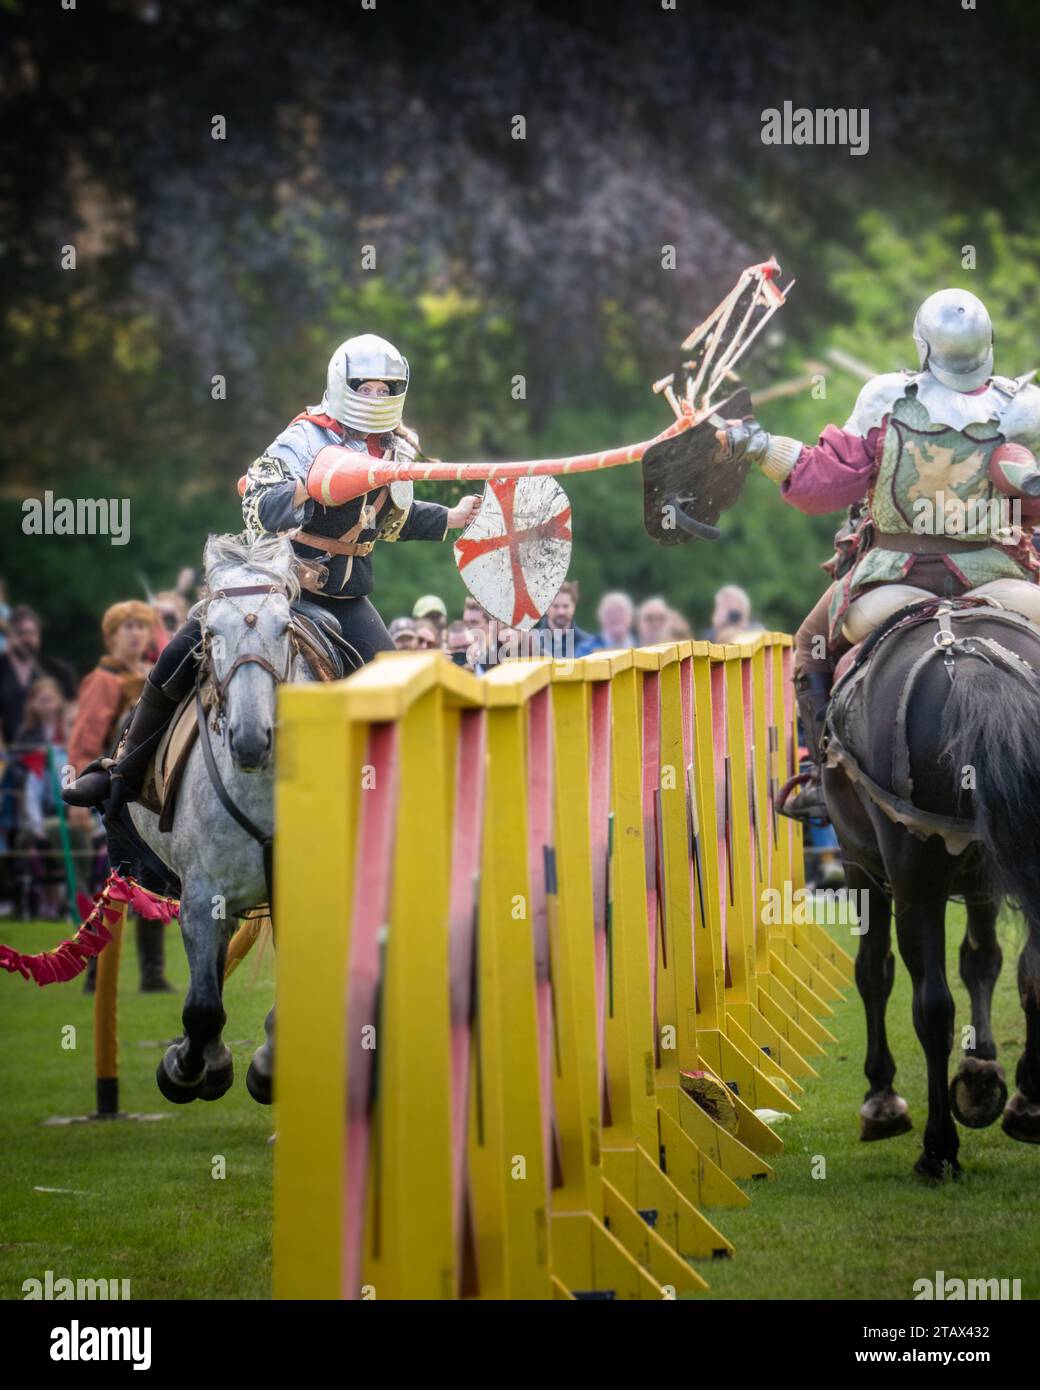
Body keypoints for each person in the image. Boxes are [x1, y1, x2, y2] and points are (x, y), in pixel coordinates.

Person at [65, 334, 480, 813]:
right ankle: (121, 771)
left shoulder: (395, 448)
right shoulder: (303, 438)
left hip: (350, 598)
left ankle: (409, 806)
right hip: (283, 585)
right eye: (365, 388)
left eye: (386, 389)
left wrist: (450, 517)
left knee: (398, 691)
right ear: (343, 384)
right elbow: (258, 508)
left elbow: (386, 520)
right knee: (188, 641)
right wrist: (309, 485)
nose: (376, 398)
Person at [718, 288, 1040, 819]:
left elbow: (824, 484)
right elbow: (1029, 509)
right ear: (987, 347)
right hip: (999, 578)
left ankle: (823, 779)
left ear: (923, 344)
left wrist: (759, 446)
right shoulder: (1020, 408)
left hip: (893, 578)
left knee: (808, 646)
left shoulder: (886, 398)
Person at [66, 601, 173, 991]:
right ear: (110, 636)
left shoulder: (149, 675)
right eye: (126, 627)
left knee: (152, 885)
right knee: (119, 886)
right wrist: (80, 786)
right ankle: (95, 977)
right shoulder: (103, 680)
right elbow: (84, 739)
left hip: (142, 796)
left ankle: (153, 975)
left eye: (140, 627)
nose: (134, 634)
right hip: (111, 790)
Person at [0, 606, 77, 746]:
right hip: (7, 755)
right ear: (9, 636)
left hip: (53, 752)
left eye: (32, 633)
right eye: (21, 633)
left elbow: (72, 711)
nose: (27, 639)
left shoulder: (58, 670)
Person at [576, 591, 636, 655]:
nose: (616, 617)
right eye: (610, 612)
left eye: (621, 611)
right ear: (600, 617)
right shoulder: (586, 650)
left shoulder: (642, 645)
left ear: (631, 616)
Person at [542, 580, 591, 655]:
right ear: (545, 608)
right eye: (555, 606)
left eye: (566, 606)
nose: (561, 612)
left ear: (574, 607)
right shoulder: (531, 646)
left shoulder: (589, 645)